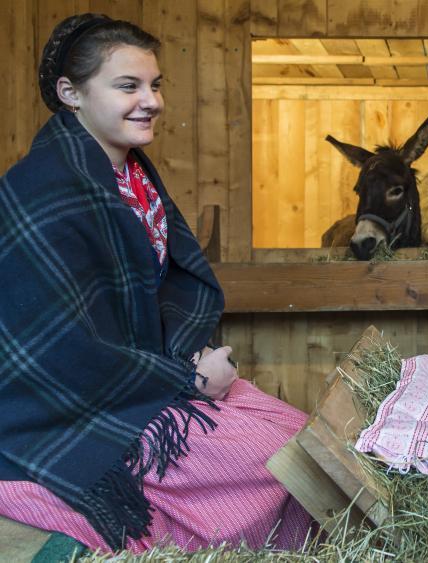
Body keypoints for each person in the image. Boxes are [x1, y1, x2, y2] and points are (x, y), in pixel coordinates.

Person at [0, 13, 312, 553]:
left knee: (297, 430)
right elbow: (59, 351)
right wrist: (185, 384)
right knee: (278, 459)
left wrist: (187, 362)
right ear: (70, 93)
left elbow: (156, 289)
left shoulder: (132, 176)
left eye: (155, 85)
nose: (151, 100)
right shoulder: (41, 190)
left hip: (139, 378)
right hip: (63, 409)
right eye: (128, 86)